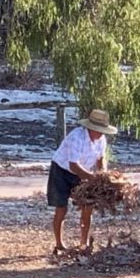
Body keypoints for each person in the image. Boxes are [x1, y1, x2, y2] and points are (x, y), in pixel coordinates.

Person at [47, 108, 118, 253]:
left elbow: (101, 158)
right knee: (61, 208)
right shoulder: (76, 137)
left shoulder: (101, 140)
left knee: (88, 206)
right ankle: (59, 244)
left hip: (83, 172)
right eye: (98, 130)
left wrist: (102, 174)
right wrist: (93, 178)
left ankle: (83, 244)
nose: (100, 133)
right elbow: (74, 165)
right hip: (61, 170)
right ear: (90, 128)